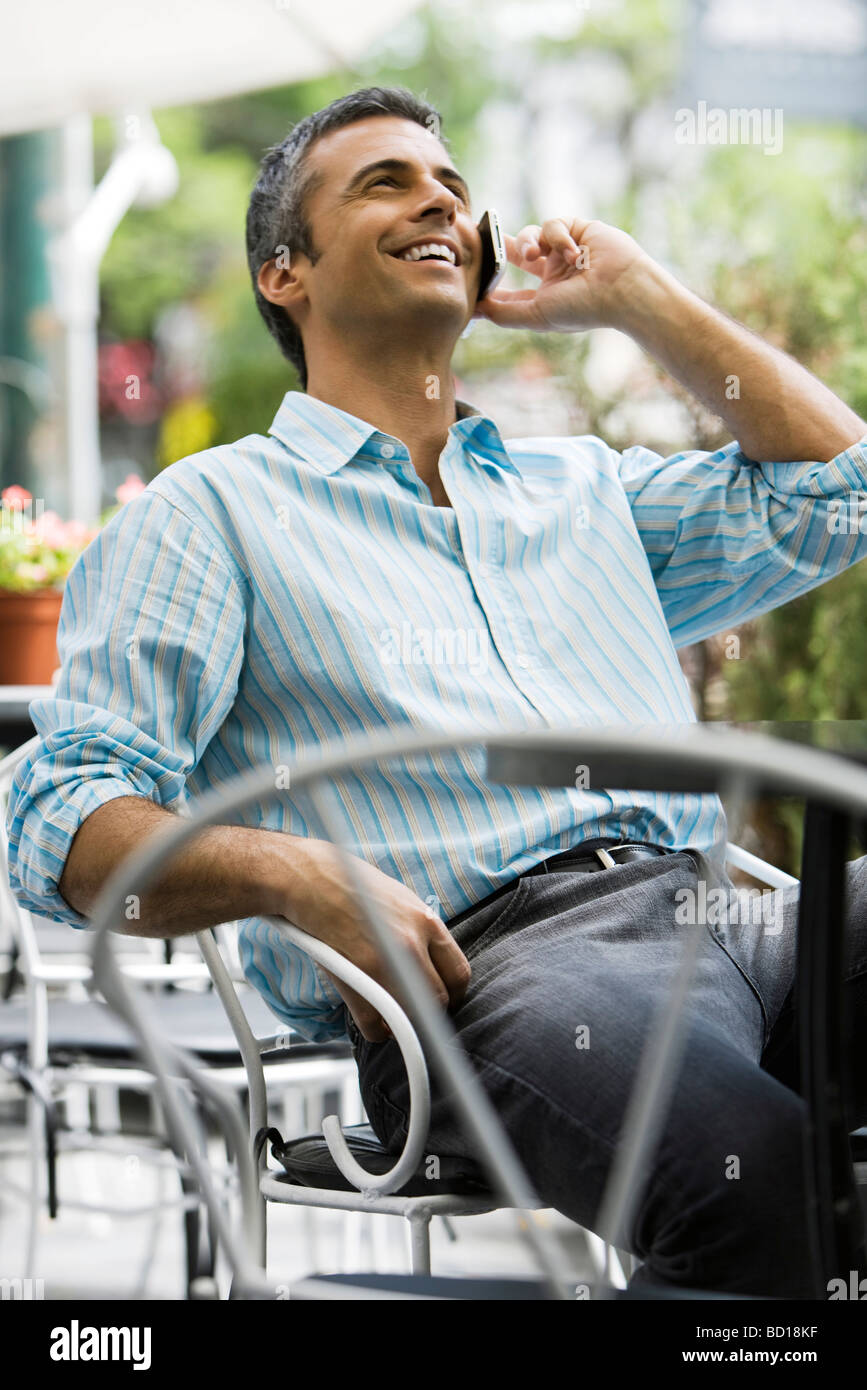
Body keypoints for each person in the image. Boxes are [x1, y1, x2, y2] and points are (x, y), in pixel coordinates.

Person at [6, 86, 867, 1298]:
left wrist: (633, 298)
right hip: (496, 976)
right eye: (387, 183)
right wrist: (293, 874)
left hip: (732, 922)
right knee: (756, 1183)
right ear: (283, 271)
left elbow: (841, 496)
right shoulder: (216, 514)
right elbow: (57, 821)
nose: (441, 204)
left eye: (453, 188)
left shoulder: (584, 490)